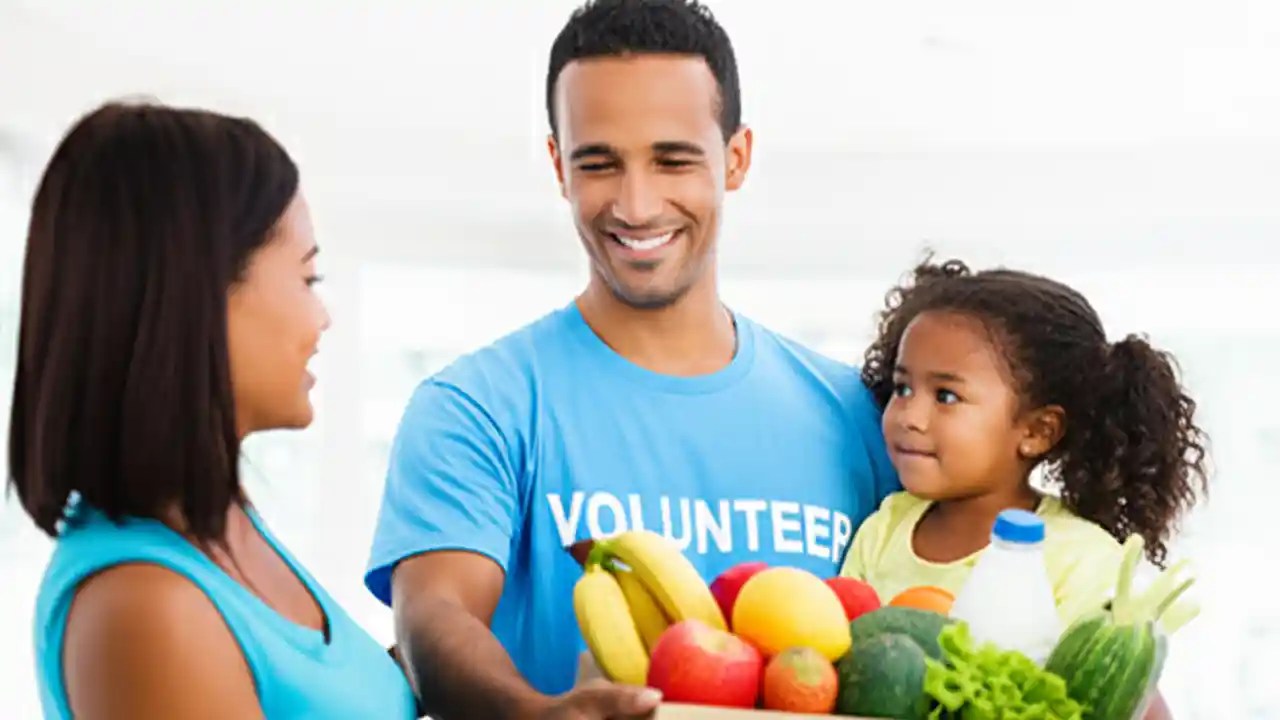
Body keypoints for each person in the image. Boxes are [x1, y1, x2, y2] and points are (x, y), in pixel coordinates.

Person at [362, 0, 899, 717]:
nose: (636, 205)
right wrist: (534, 715)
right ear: (559, 165)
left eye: (673, 160)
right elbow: (435, 616)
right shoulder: (476, 407)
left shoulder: (854, 415)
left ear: (734, 159)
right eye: (599, 163)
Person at [10, 101, 418, 720]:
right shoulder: (149, 608)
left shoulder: (216, 525)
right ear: (198, 297)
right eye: (308, 279)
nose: (323, 316)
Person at [840, 257, 1206, 719]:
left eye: (946, 396)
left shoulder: (1078, 556)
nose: (908, 415)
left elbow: (1130, 702)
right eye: (902, 386)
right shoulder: (887, 527)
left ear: (1037, 431)